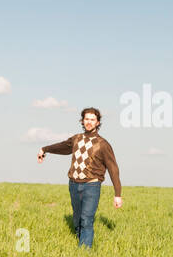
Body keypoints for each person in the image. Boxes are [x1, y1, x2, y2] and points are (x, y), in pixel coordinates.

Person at [37, 107, 122, 249]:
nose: (89, 122)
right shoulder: (76, 139)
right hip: (74, 185)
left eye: (92, 119)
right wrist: (44, 149)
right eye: (87, 119)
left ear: (97, 122)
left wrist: (117, 194)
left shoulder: (103, 144)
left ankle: (84, 253)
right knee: (77, 220)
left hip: (92, 186)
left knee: (86, 219)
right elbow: (62, 147)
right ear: (83, 121)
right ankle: (79, 245)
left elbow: (113, 168)